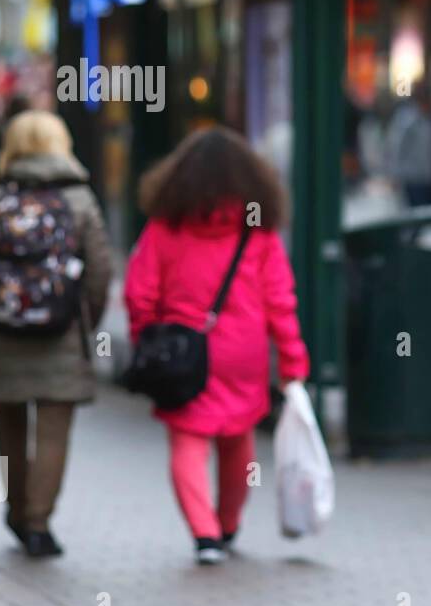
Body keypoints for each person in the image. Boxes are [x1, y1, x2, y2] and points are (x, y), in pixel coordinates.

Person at [124, 127, 309, 565]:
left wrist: (146, 334)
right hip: (242, 354)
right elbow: (281, 301)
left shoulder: (165, 227)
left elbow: (138, 291)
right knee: (237, 439)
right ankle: (227, 524)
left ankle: (204, 534)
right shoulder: (257, 231)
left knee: (188, 440)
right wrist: (292, 361)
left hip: (184, 353)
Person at [0, 111, 112, 557]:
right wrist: (84, 322)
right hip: (61, 337)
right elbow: (100, 273)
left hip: (3, 339)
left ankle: (16, 510)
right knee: (52, 430)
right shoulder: (80, 200)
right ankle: (40, 522)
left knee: (9, 426)